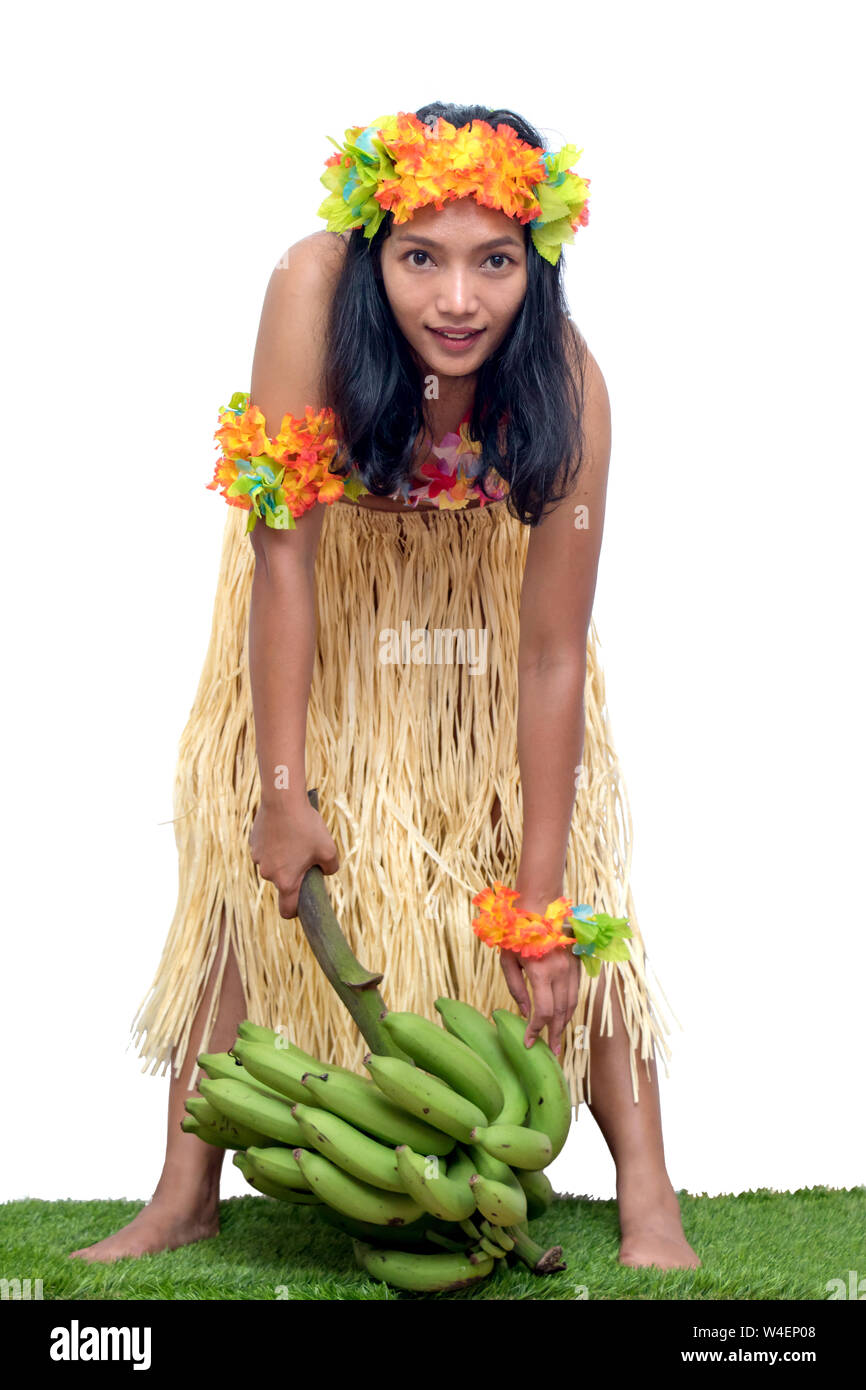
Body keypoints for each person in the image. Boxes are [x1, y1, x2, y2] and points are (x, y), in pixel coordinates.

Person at [70, 102, 700, 1271]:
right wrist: (278, 786)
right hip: (319, 602)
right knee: (236, 877)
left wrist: (538, 908)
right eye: (420, 257)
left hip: (484, 624)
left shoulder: (566, 382)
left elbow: (553, 650)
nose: (456, 300)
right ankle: (181, 1191)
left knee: (570, 878)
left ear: (536, 261)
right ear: (373, 249)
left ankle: (647, 1194)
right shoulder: (308, 287)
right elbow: (281, 553)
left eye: (494, 262)